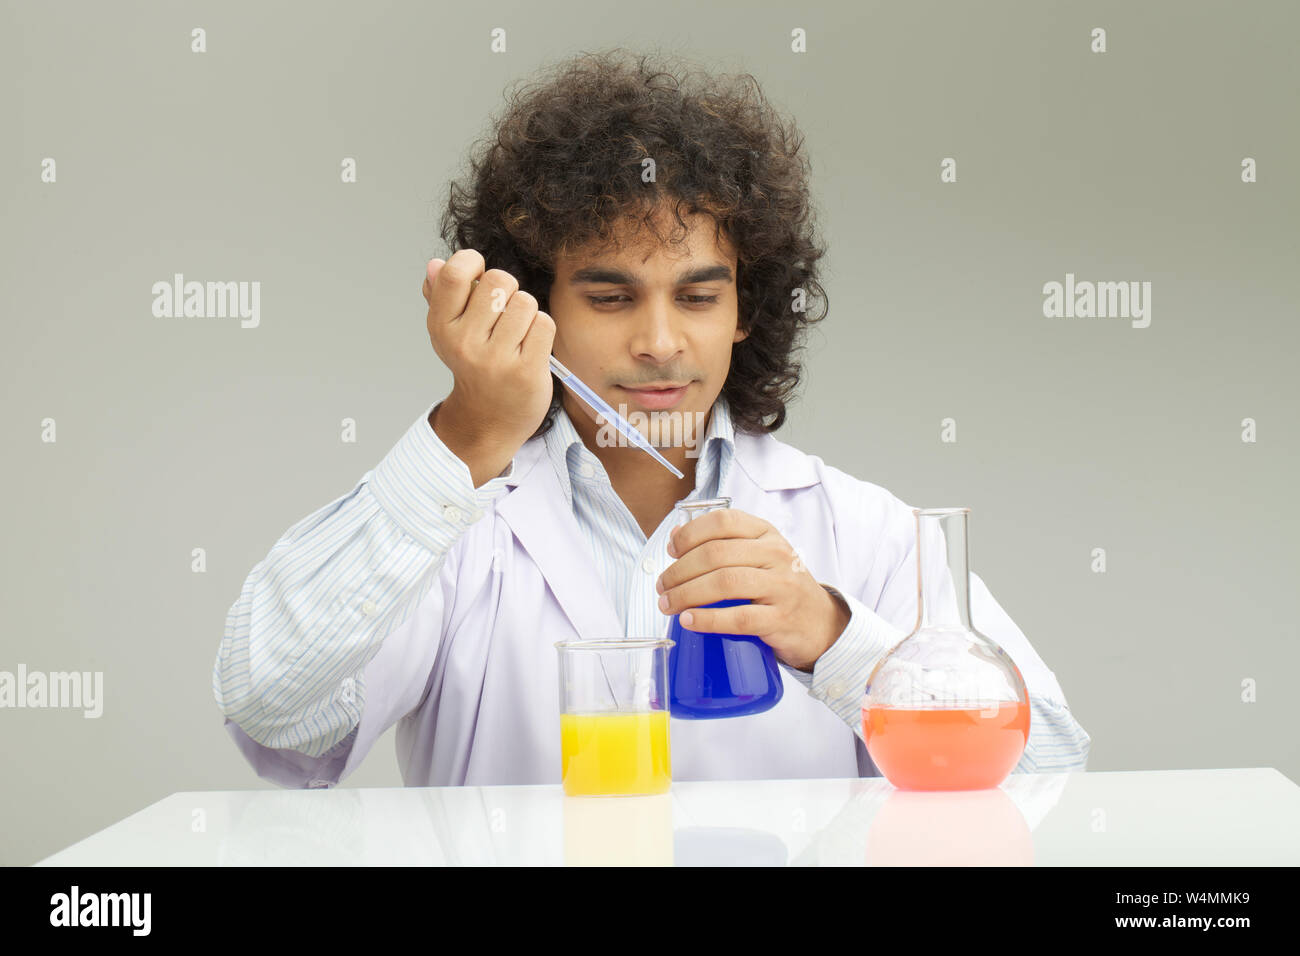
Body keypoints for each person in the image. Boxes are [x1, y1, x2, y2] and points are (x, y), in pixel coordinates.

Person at [212, 50, 1090, 788]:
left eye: (699, 295)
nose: (662, 342)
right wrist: (471, 435)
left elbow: (1046, 776)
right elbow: (273, 710)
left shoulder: (860, 532)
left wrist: (835, 639)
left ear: (746, 309)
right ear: (530, 306)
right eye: (610, 296)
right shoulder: (459, 526)